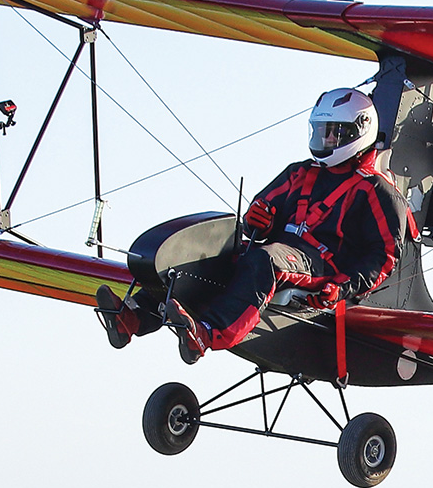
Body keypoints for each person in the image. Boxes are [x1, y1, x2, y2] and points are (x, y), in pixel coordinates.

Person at [94, 86, 414, 362]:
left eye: (335, 132)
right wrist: (259, 221)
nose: (327, 139)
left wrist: (342, 288)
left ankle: (207, 335)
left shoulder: (378, 191)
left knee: (266, 259)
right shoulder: (300, 173)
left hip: (323, 268)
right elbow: (257, 220)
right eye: (322, 131)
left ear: (360, 131)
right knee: (209, 257)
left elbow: (383, 256)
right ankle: (133, 318)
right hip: (283, 252)